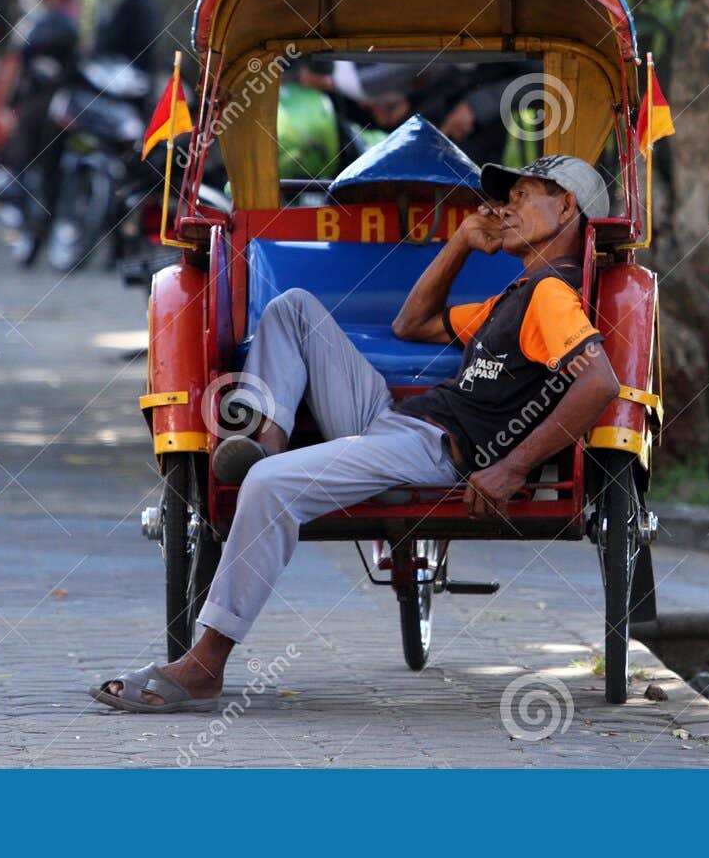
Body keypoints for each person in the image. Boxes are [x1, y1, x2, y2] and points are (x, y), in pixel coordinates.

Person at [90, 154, 622, 713]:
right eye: (505, 197)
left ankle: (204, 667)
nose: (506, 206)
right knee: (293, 309)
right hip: (391, 422)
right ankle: (265, 442)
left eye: (523, 195)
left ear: (566, 207)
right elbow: (409, 324)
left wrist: (512, 466)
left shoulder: (551, 296)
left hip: (432, 447)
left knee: (272, 488)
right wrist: (462, 242)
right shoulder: (521, 291)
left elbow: (599, 383)